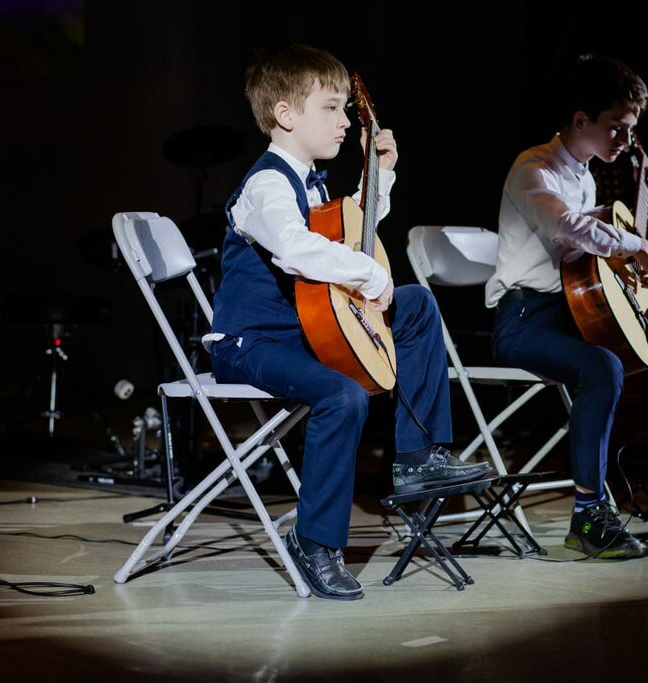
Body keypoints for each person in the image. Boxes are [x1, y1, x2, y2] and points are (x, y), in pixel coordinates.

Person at [205, 44, 489, 599]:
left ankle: (417, 457)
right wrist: (367, 274)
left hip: (299, 333)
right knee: (344, 396)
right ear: (286, 115)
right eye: (332, 109)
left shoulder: (311, 181)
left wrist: (378, 173)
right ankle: (314, 542)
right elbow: (294, 248)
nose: (345, 122)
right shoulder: (268, 185)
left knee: (417, 305)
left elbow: (351, 227)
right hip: (248, 341)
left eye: (346, 110)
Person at [485, 53, 648, 560]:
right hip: (525, 320)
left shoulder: (586, 178)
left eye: (630, 130)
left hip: (577, 314)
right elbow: (566, 228)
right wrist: (635, 245)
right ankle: (588, 514)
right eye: (618, 128)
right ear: (581, 120)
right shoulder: (532, 167)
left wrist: (647, 209)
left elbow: (604, 273)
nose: (625, 141)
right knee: (603, 366)